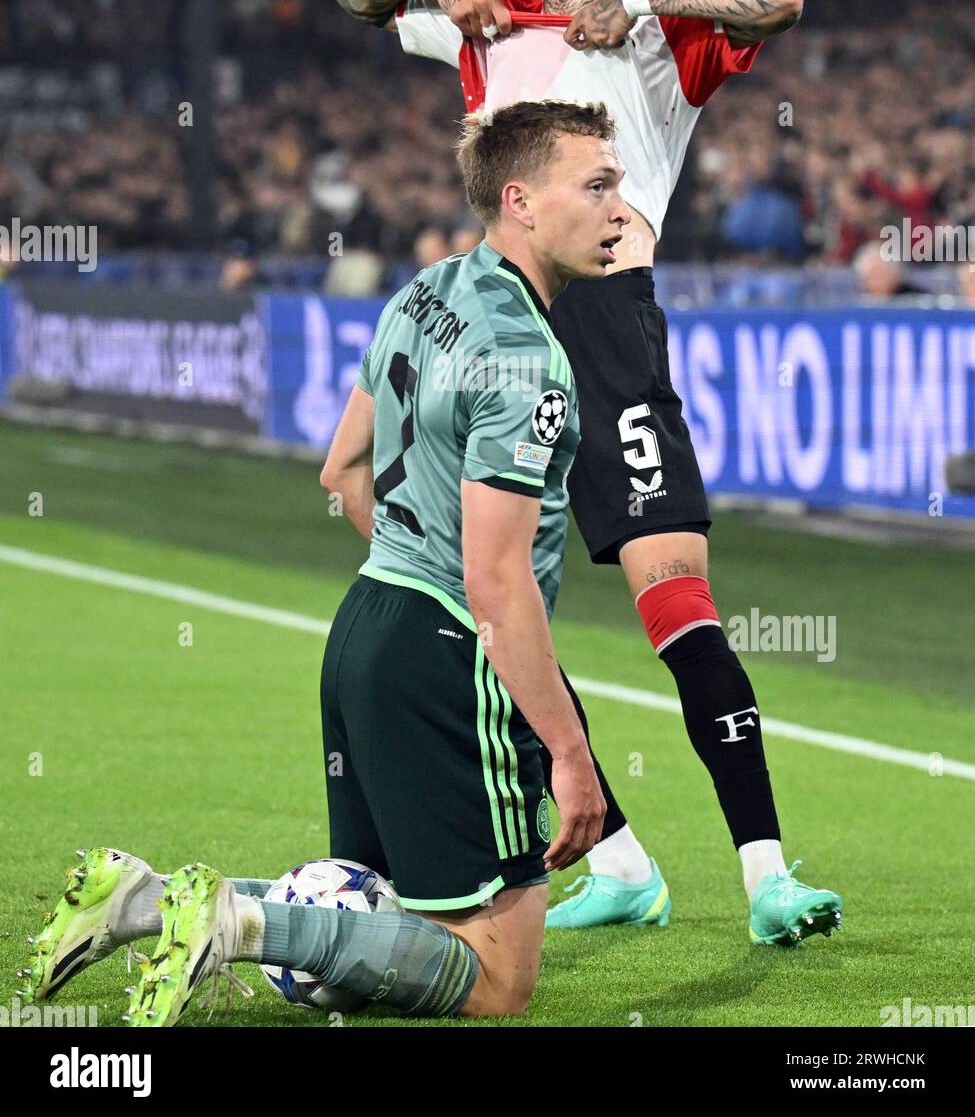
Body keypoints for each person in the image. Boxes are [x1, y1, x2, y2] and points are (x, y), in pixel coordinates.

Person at [329, 0, 842, 944]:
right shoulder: (490, 20)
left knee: (674, 597)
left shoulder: (665, 34)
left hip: (607, 327)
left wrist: (645, 0)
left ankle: (765, 876)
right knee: (493, 598)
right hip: (494, 330)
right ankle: (619, 858)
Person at [19, 99, 626, 1024]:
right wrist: (572, 753)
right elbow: (496, 582)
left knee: (388, 908)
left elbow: (340, 470)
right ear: (521, 202)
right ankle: (233, 918)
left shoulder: (424, 292)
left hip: (364, 625)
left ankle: (140, 904)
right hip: (447, 654)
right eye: (596, 184)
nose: (620, 206)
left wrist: (412, 561)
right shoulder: (525, 359)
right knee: (497, 982)